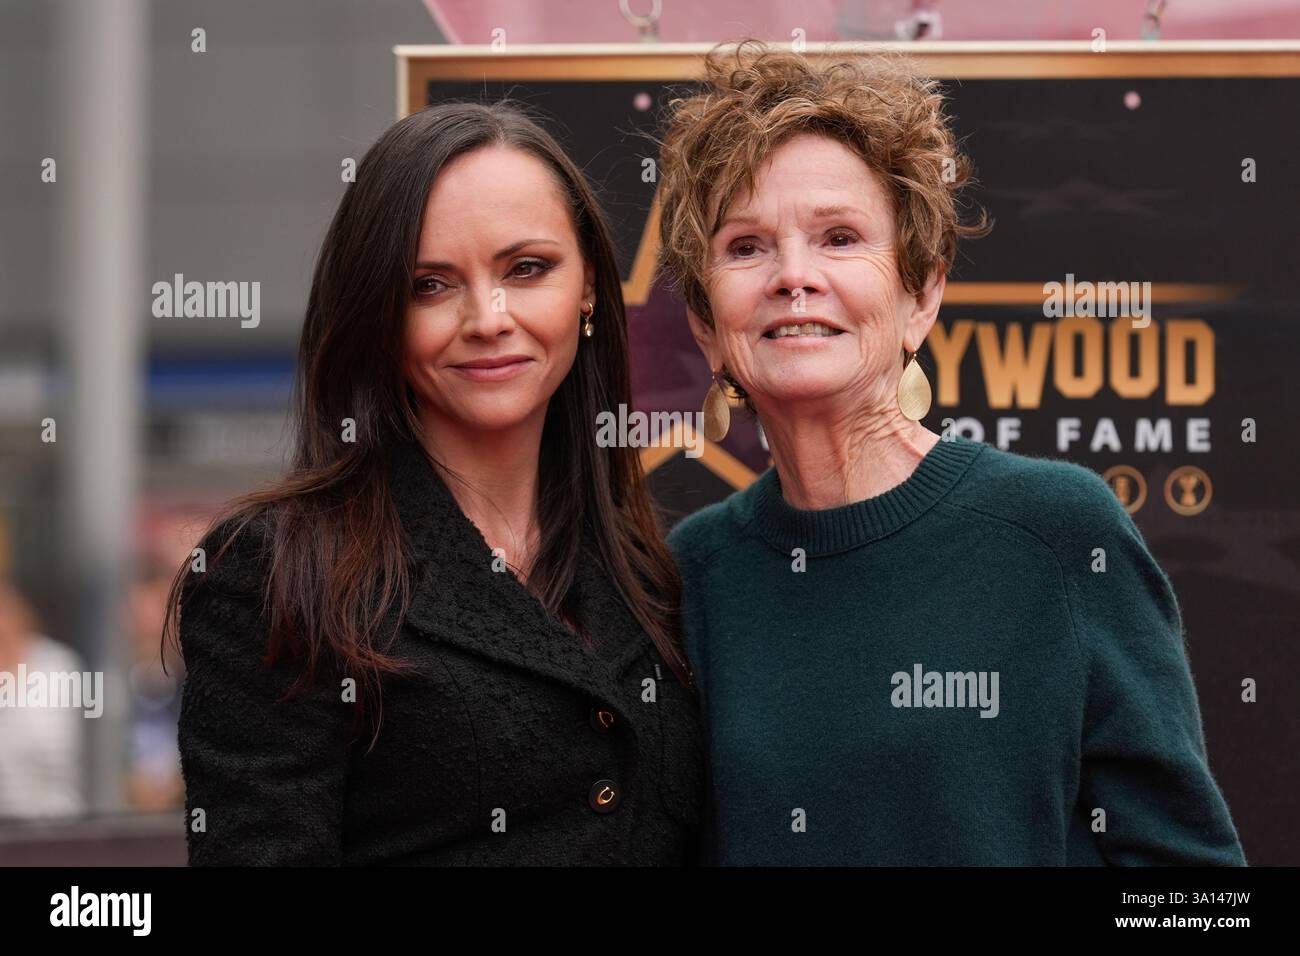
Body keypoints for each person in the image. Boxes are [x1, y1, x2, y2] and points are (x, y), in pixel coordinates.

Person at [655, 40, 1244, 866]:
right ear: (704, 322)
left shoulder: (1058, 533)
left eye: (839, 237)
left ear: (920, 296)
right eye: (745, 246)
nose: (793, 275)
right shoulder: (690, 577)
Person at [164, 101, 704, 865]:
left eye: (527, 269)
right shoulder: (277, 569)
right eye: (430, 285)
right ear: (378, 316)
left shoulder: (651, 570)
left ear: (588, 287)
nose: (488, 317)